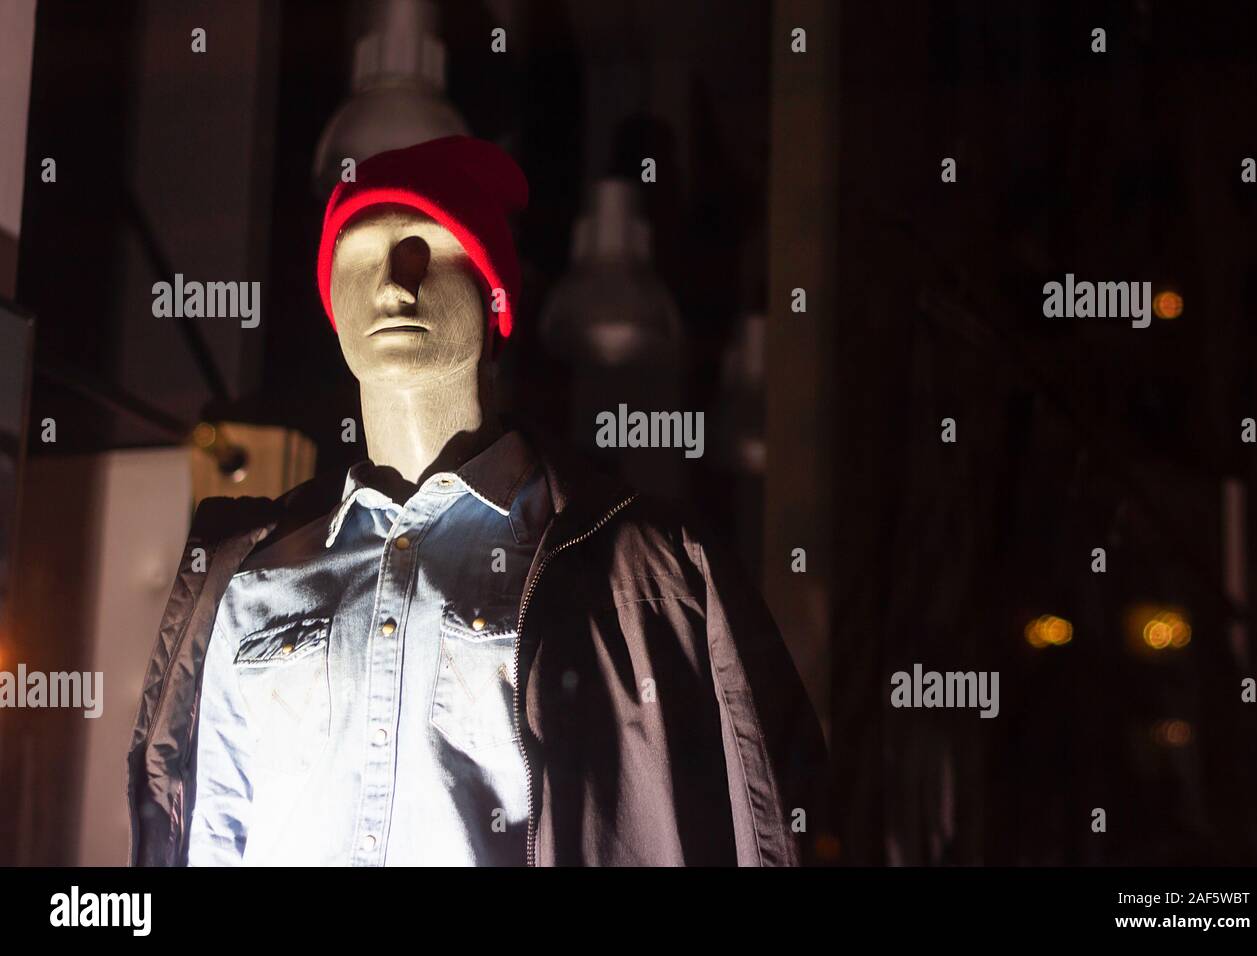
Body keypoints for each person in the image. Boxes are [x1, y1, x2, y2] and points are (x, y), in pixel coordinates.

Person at [127, 136, 826, 866]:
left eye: (426, 249)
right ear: (329, 299)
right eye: (363, 258)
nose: (396, 286)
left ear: (494, 296)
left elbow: (763, 821)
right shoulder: (250, 579)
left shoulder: (646, 577)